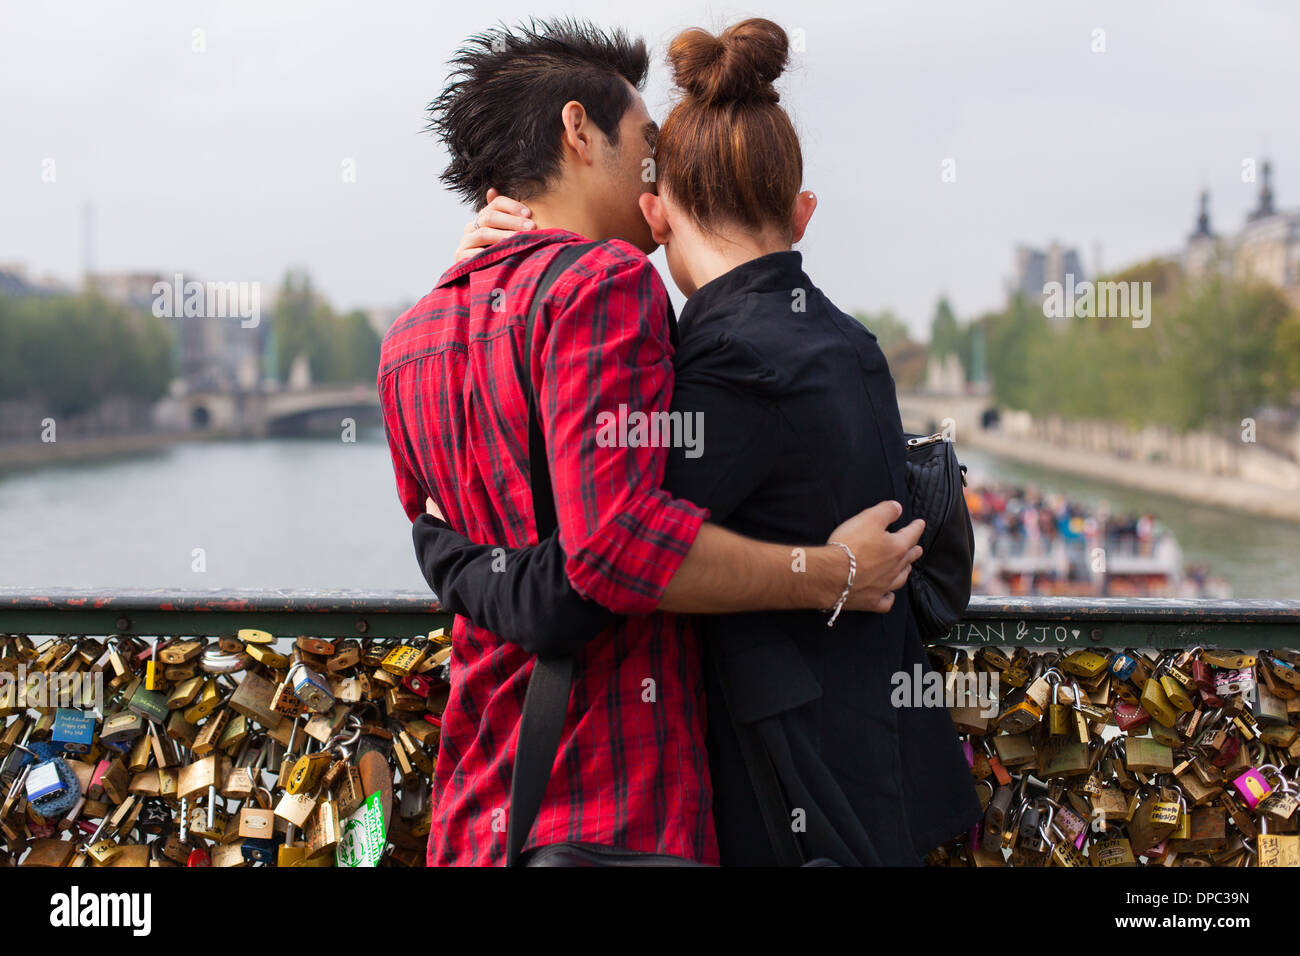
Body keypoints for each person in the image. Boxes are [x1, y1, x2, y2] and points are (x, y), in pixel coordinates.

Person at [409, 18, 980, 865]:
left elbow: (596, 566)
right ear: (802, 212)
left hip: (718, 799)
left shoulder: (713, 368)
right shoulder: (850, 344)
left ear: (659, 213)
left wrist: (444, 551)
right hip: (853, 787)